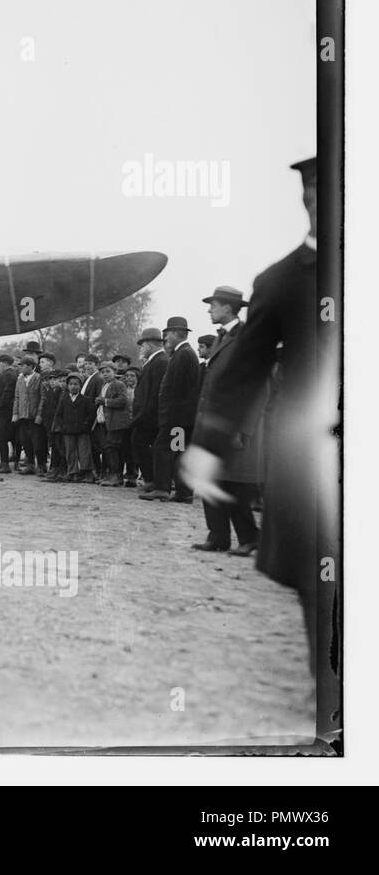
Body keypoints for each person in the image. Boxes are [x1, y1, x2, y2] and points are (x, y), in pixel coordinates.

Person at [184, 156, 339, 734]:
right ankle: (337, 704)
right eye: (320, 195)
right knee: (321, 582)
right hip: (319, 460)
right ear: (305, 202)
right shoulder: (281, 282)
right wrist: (205, 448)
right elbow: (240, 373)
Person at [190, 286, 262, 555]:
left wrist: (243, 429)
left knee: (230, 482)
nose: (209, 309)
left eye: (214, 305)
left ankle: (250, 538)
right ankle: (218, 537)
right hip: (213, 423)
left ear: (229, 308)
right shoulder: (222, 338)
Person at [142, 317, 199, 502]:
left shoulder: (183, 354)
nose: (165, 338)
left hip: (176, 418)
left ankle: (162, 488)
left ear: (175, 333)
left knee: (162, 449)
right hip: (181, 417)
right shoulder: (185, 353)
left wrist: (168, 417)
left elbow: (176, 388)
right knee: (178, 451)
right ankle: (184, 492)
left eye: (167, 334)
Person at [130, 327, 169, 494]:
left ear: (150, 345)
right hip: (148, 415)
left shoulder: (160, 362)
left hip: (151, 417)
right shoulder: (153, 362)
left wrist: (142, 416)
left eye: (142, 345)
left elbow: (154, 394)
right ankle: (152, 480)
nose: (141, 349)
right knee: (142, 444)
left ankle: (154, 481)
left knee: (141, 443)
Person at [54, 371, 95, 483]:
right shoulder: (64, 400)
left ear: (80, 386)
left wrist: (86, 425)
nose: (73, 386)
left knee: (84, 451)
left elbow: (91, 414)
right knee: (70, 451)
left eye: (76, 384)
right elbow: (59, 415)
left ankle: (87, 472)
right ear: (68, 386)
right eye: (71, 384)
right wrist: (63, 426)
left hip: (82, 430)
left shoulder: (85, 400)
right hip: (68, 430)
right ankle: (72, 472)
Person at [94, 361, 130, 487]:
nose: (105, 374)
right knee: (110, 449)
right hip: (107, 422)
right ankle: (113, 475)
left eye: (108, 371)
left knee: (112, 448)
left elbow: (123, 401)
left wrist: (106, 401)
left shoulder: (118, 384)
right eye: (103, 372)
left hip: (117, 422)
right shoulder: (104, 385)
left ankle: (116, 476)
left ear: (114, 372)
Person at [11, 355, 41, 474]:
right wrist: (15, 413)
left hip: (34, 415)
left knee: (37, 442)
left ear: (30, 366)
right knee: (25, 440)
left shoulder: (38, 378)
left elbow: (42, 397)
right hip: (23, 415)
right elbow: (17, 397)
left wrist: (39, 414)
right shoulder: (20, 379)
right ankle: (30, 465)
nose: (21, 368)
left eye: (23, 366)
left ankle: (41, 465)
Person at [0, 354, 18, 474]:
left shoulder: (8, 375)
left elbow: (7, 393)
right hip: (4, 411)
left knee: (2, 437)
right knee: (1, 437)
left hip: (5, 411)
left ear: (5, 363)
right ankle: (3, 463)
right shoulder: (8, 374)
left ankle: (5, 464)